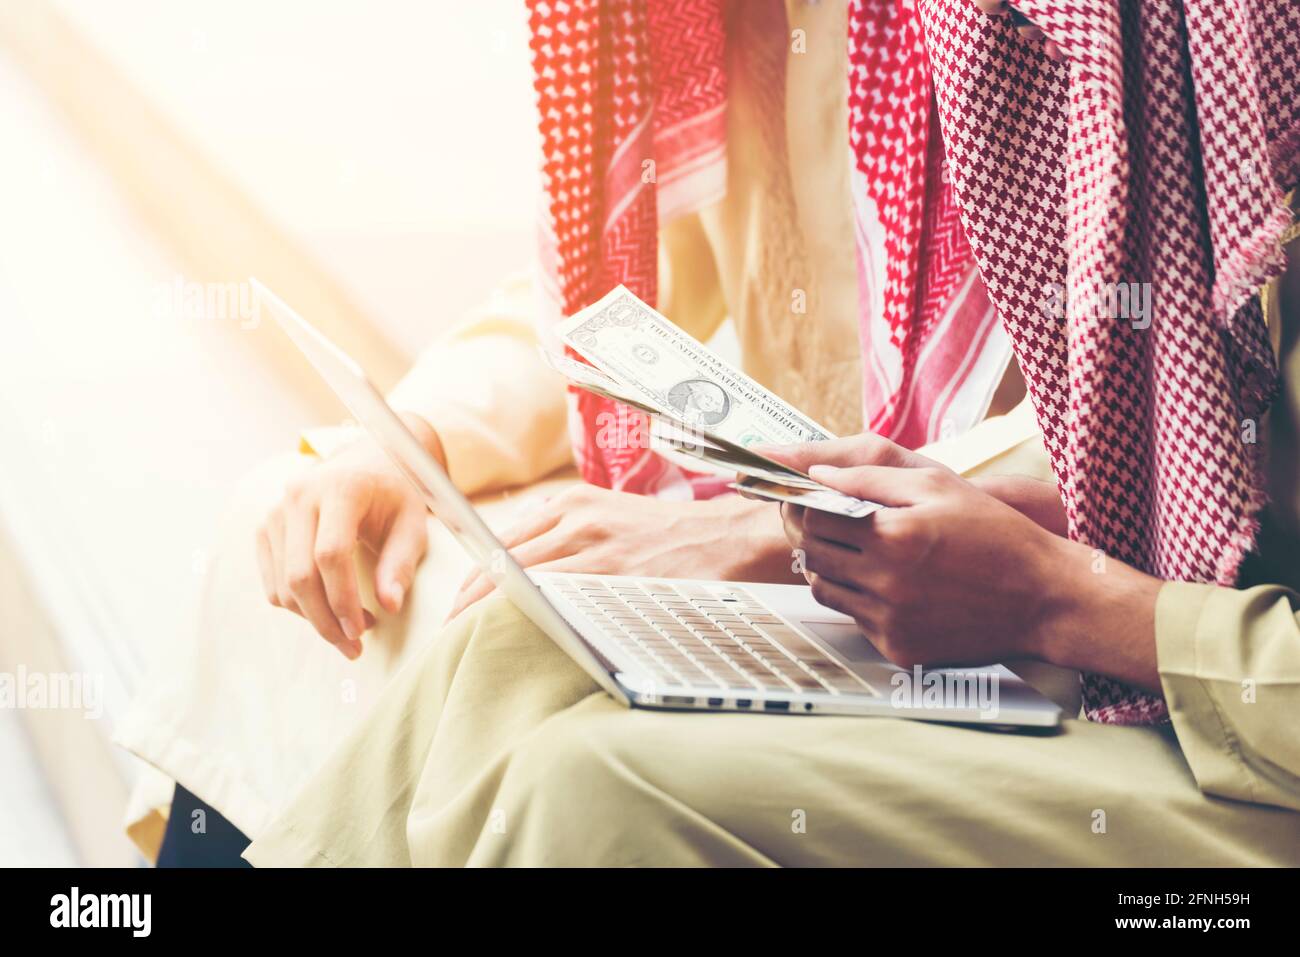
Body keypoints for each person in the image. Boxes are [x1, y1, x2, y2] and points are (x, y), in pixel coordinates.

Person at [135, 0, 1300, 866]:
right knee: (318, 556)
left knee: (570, 757)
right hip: (898, 561)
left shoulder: (1142, 44)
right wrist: (418, 436)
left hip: (1122, 641)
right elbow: (619, 309)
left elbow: (1151, 439)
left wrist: (788, 532)